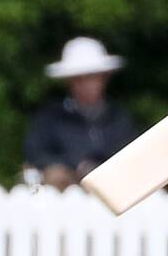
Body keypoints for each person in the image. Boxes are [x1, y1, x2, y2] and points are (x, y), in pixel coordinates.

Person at [22, 37, 137, 189]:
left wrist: (98, 168)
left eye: (93, 77)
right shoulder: (50, 118)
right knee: (55, 175)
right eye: (80, 79)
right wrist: (76, 166)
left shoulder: (118, 117)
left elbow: (131, 155)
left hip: (113, 186)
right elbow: (36, 154)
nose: (87, 85)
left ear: (104, 78)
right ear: (69, 81)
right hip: (67, 191)